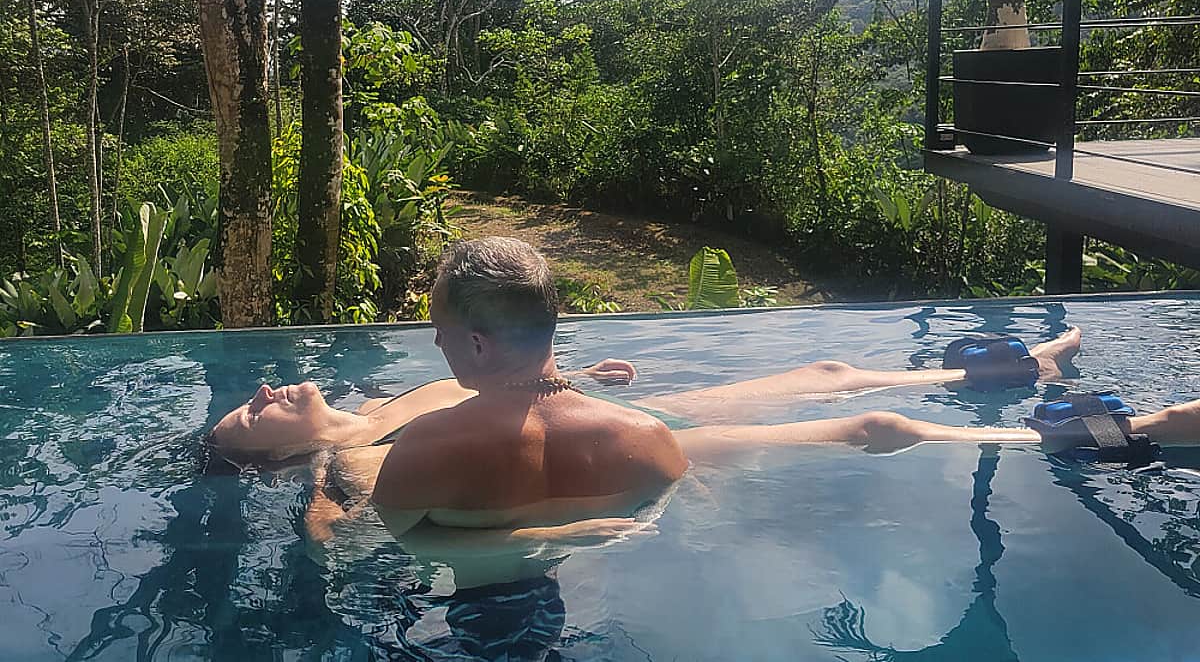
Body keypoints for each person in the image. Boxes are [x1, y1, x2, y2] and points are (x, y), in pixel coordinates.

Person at [207, 238, 1109, 548]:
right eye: (249, 419)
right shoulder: (355, 460)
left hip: (583, 405)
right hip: (605, 435)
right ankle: (1062, 432)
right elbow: (366, 540)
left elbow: (491, 377)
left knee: (825, 375)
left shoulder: (387, 397)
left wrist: (582, 375)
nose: (259, 395)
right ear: (278, 455)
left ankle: (1027, 364)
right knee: (862, 421)